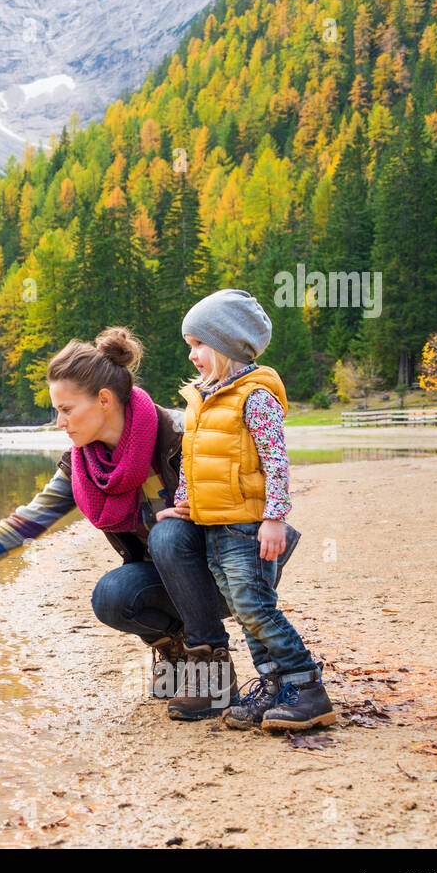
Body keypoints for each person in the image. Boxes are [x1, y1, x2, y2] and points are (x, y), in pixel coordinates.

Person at [0, 326, 299, 704]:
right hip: (172, 578)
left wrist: (205, 509)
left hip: (235, 569)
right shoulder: (82, 468)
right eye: (56, 412)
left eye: (66, 409)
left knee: (168, 534)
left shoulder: (181, 433)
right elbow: (24, 524)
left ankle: (211, 668)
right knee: (113, 595)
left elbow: (261, 467)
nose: (59, 422)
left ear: (104, 400)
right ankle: (175, 651)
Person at [161, 289, 335, 731]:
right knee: (242, 610)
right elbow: (194, 459)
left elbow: (276, 461)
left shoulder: (254, 397)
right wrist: (183, 503)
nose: (193, 356)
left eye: (199, 345)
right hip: (215, 527)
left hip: (248, 527)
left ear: (227, 344)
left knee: (256, 607)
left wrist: (274, 517)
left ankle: (307, 687)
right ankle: (277, 687)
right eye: (189, 346)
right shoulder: (203, 399)